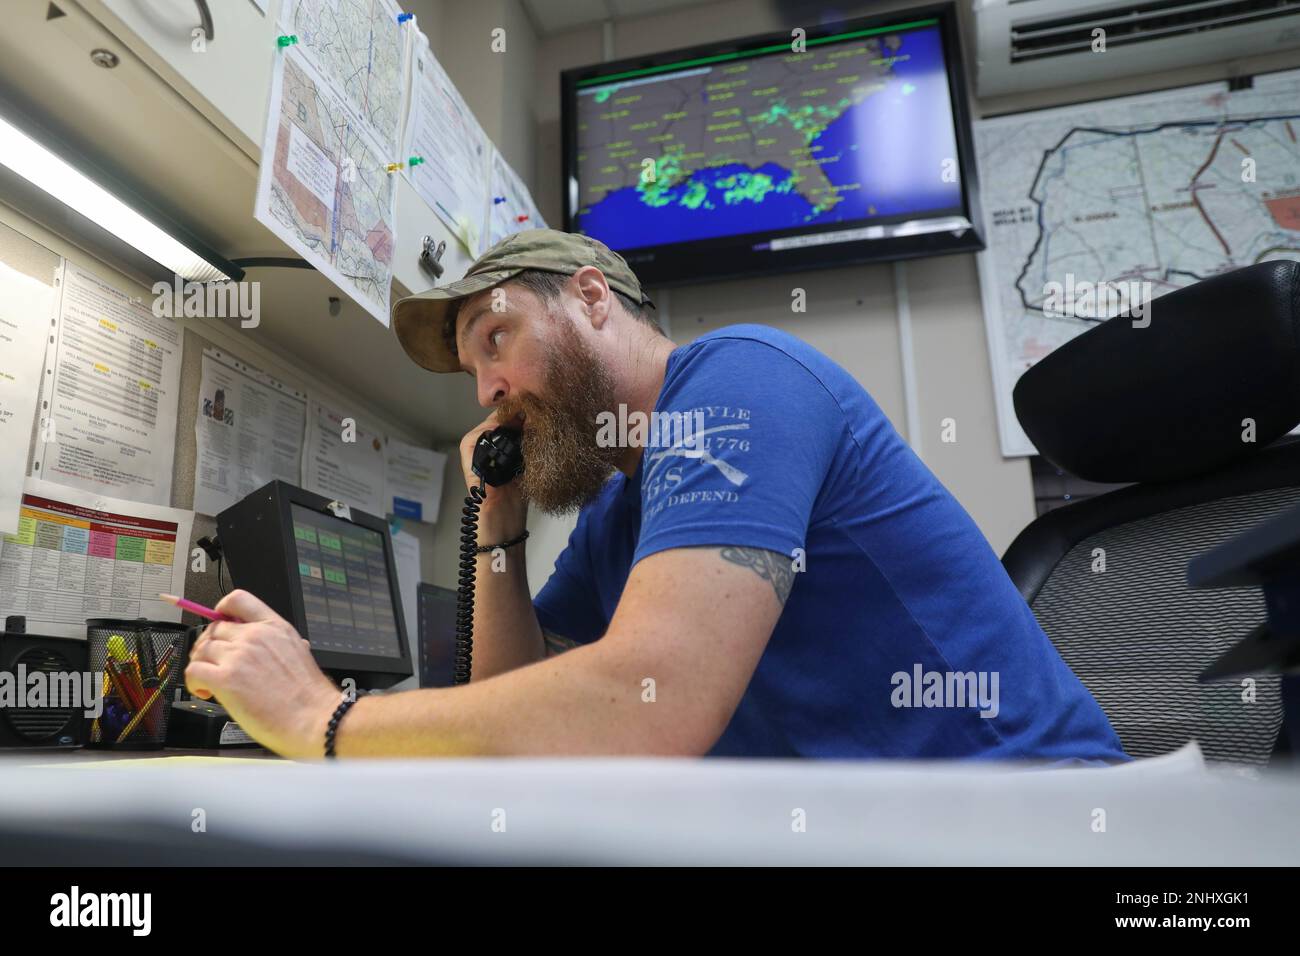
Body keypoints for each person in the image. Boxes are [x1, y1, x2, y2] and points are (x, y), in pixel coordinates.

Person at [185, 229, 1127, 764]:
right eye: (472, 370)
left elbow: (651, 703)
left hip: (1028, 819)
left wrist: (323, 718)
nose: (486, 392)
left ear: (592, 298)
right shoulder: (620, 511)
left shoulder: (740, 381)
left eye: (495, 339)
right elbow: (513, 712)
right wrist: (496, 522)